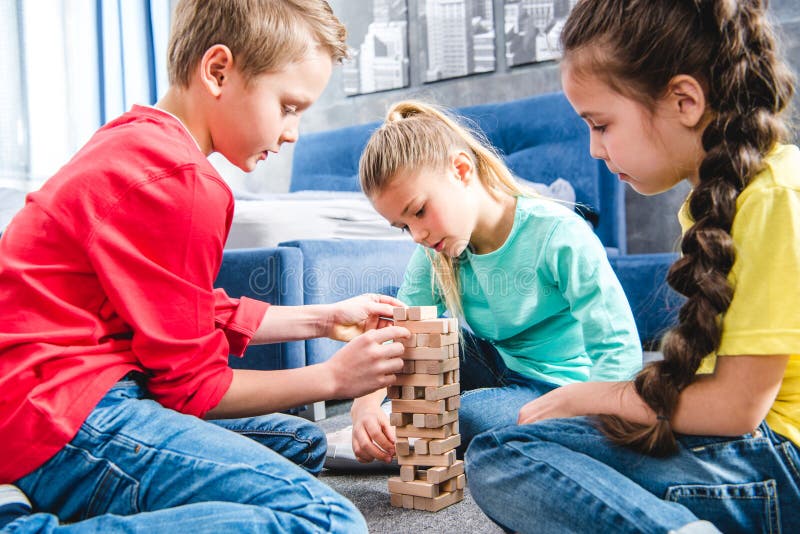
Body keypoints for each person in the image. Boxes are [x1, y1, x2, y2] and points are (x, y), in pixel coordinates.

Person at [0, 1, 411, 532]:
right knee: (325, 519)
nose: (293, 134)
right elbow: (192, 389)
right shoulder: (183, 181)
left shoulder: (137, 138)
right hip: (59, 416)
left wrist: (325, 318)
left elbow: (184, 311)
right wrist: (333, 378)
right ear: (218, 71)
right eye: (289, 106)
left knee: (300, 438)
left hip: (31, 397)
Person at [466, 1, 800, 533]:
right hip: (748, 450)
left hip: (779, 464)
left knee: (505, 454)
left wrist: (600, 395)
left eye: (601, 125)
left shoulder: (775, 196)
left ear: (684, 100)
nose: (595, 150)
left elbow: (739, 407)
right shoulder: (712, 201)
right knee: (503, 442)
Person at [342, 99, 643, 466]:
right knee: (404, 319)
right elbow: (398, 332)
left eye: (419, 211)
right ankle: (410, 429)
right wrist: (364, 407)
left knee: (470, 416)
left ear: (461, 169)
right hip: (500, 367)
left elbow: (619, 347)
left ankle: (485, 429)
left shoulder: (556, 233)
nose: (417, 234)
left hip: (562, 388)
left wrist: (597, 411)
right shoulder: (435, 251)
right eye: (404, 226)